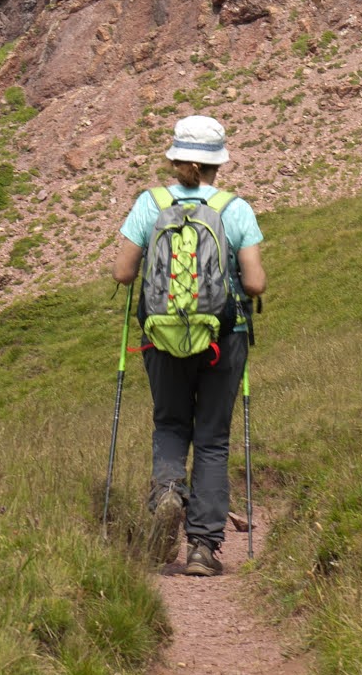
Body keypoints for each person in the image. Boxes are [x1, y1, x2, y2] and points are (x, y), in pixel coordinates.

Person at [111, 113, 267, 577]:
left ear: (176, 157)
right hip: (223, 337)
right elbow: (255, 283)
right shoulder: (233, 208)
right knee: (213, 439)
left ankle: (167, 494)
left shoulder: (149, 203)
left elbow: (122, 273)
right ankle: (203, 547)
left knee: (171, 423)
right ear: (218, 161)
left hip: (160, 338)